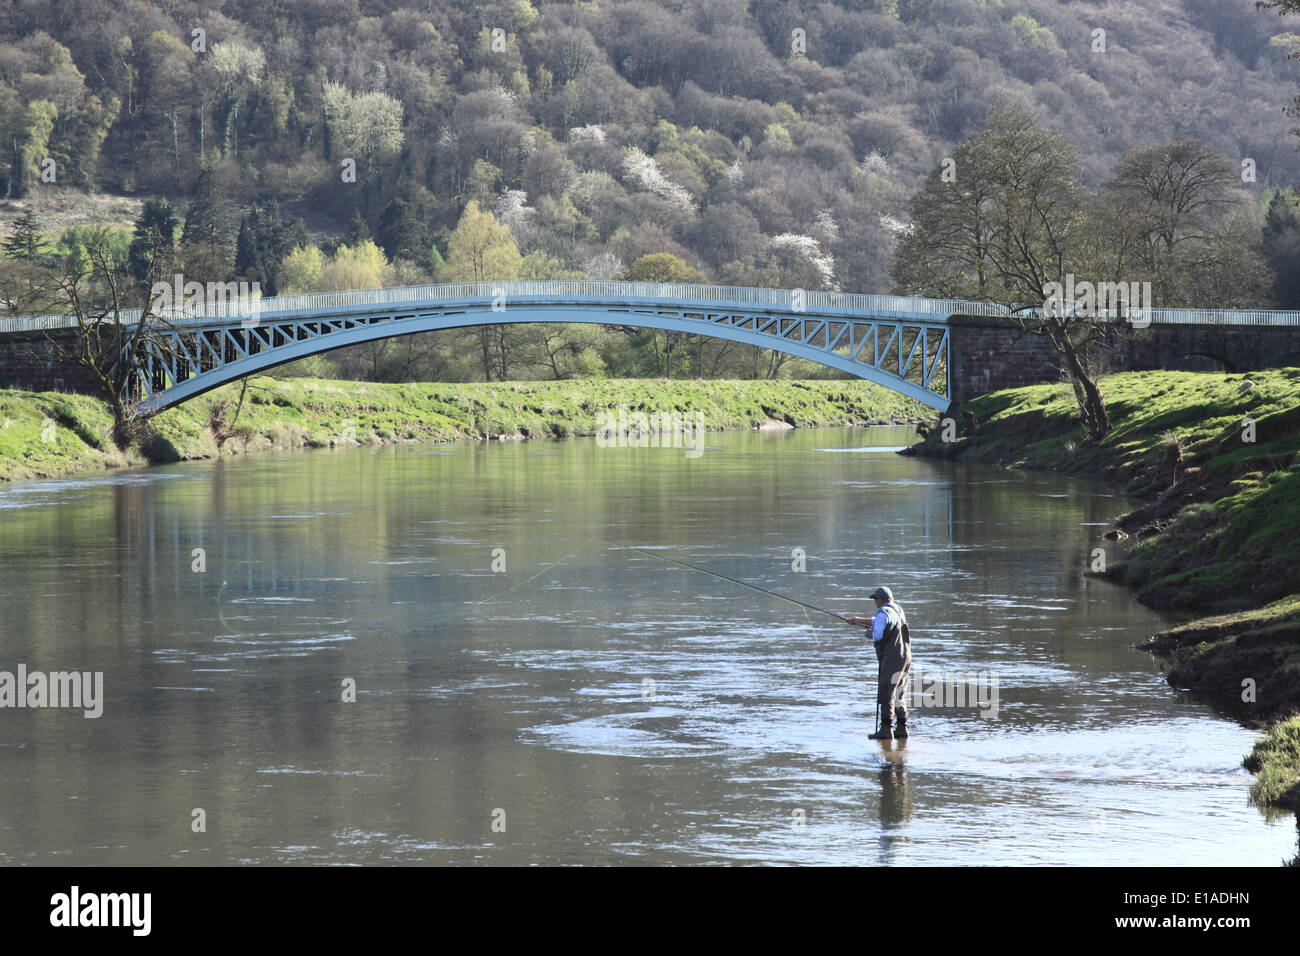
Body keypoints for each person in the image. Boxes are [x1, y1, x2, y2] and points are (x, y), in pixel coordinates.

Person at [845, 586, 911, 741]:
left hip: (892, 656)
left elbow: (878, 635)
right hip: (905, 655)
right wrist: (857, 620)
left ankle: (886, 729)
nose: (874, 602)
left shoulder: (882, 612)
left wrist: (869, 632)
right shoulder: (897, 609)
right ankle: (902, 727)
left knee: (887, 692)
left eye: (875, 599)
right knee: (899, 691)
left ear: (879, 600)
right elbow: (879, 621)